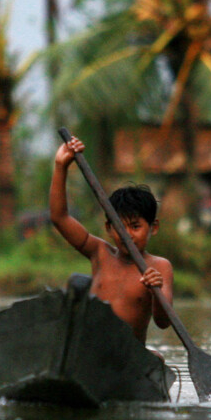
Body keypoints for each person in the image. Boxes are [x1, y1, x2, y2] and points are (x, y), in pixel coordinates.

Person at [50, 135, 173, 344]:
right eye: (119, 226)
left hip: (128, 358)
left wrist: (157, 291)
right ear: (109, 228)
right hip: (90, 350)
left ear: (154, 228)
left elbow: (163, 322)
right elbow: (60, 218)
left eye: (135, 226)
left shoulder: (160, 267)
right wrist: (61, 166)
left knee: (157, 359)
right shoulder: (99, 252)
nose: (126, 235)